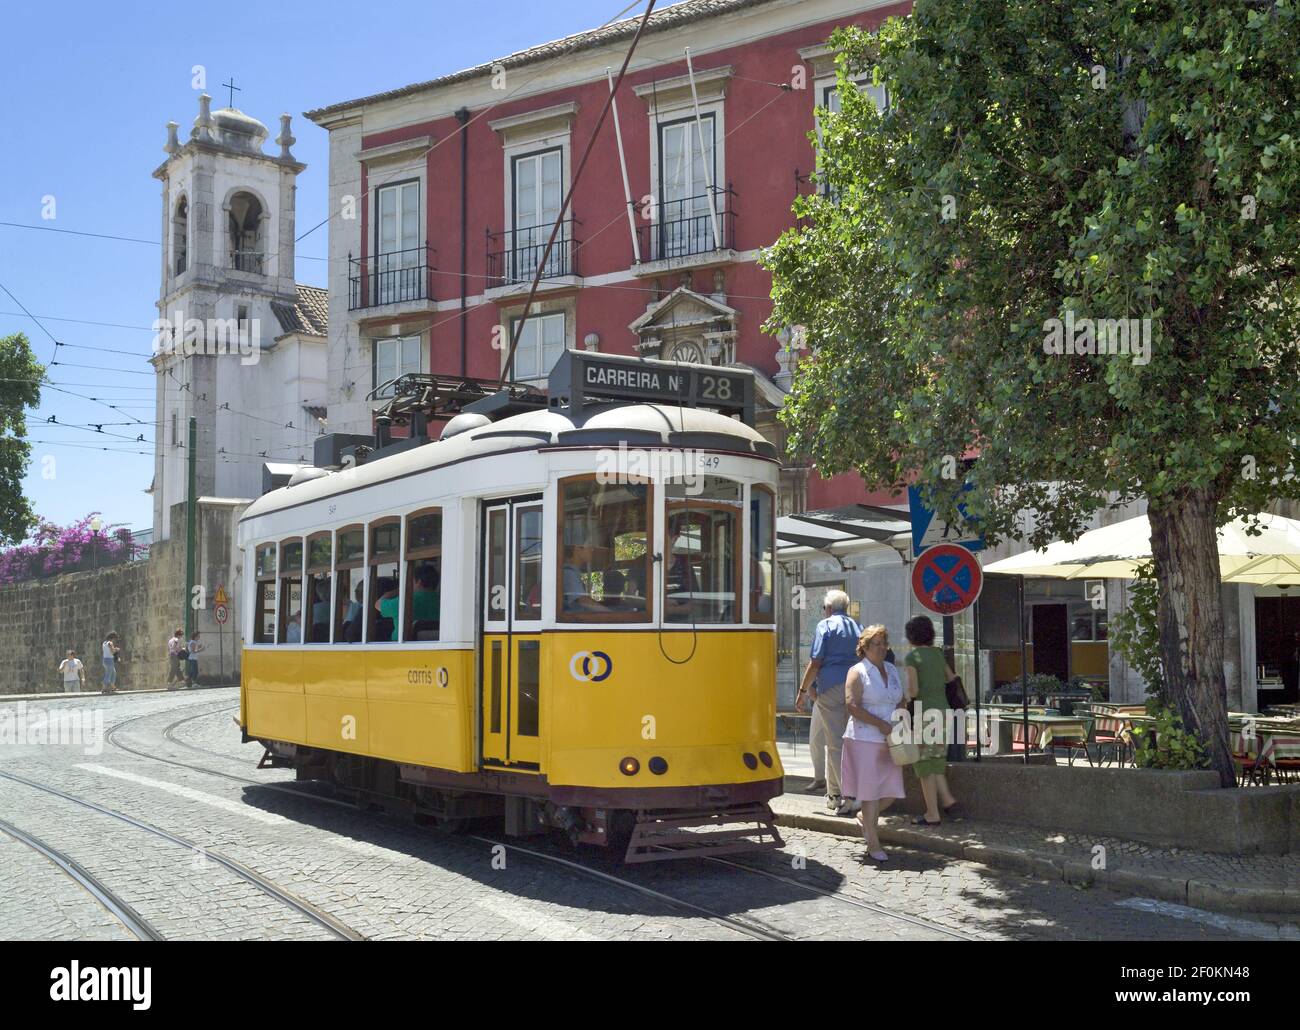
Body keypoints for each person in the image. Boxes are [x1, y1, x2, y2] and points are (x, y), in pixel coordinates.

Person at [842, 624, 914, 862]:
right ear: (865, 647)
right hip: (865, 738)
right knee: (871, 792)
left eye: (885, 643)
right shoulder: (857, 671)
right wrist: (879, 723)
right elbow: (852, 706)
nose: (883, 648)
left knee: (892, 791)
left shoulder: (892, 669)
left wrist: (900, 714)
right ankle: (873, 843)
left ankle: (865, 817)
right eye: (877, 644)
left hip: (891, 738)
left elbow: (900, 698)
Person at [795, 590, 862, 816]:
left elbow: (816, 662)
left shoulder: (825, 625)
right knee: (845, 740)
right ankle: (834, 795)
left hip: (830, 687)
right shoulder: (856, 626)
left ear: (829, 608)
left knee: (835, 743)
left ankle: (849, 796)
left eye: (824, 608)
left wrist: (803, 690)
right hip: (854, 687)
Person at [901, 615, 959, 825]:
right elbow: (951, 678)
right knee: (935, 760)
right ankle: (947, 799)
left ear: (911, 636)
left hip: (925, 714)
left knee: (924, 765)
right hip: (944, 712)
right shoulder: (937, 654)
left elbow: (914, 690)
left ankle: (932, 814)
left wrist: (906, 696)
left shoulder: (912, 657)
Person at [562, 544, 606, 613]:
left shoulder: (572, 572)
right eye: (589, 547)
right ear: (578, 549)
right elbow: (583, 601)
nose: (592, 550)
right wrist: (612, 614)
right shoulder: (568, 573)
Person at [411, 563, 440, 637]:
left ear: (419, 582)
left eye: (412, 581)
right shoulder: (444, 602)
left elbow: (377, 604)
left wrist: (400, 589)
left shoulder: (407, 601)